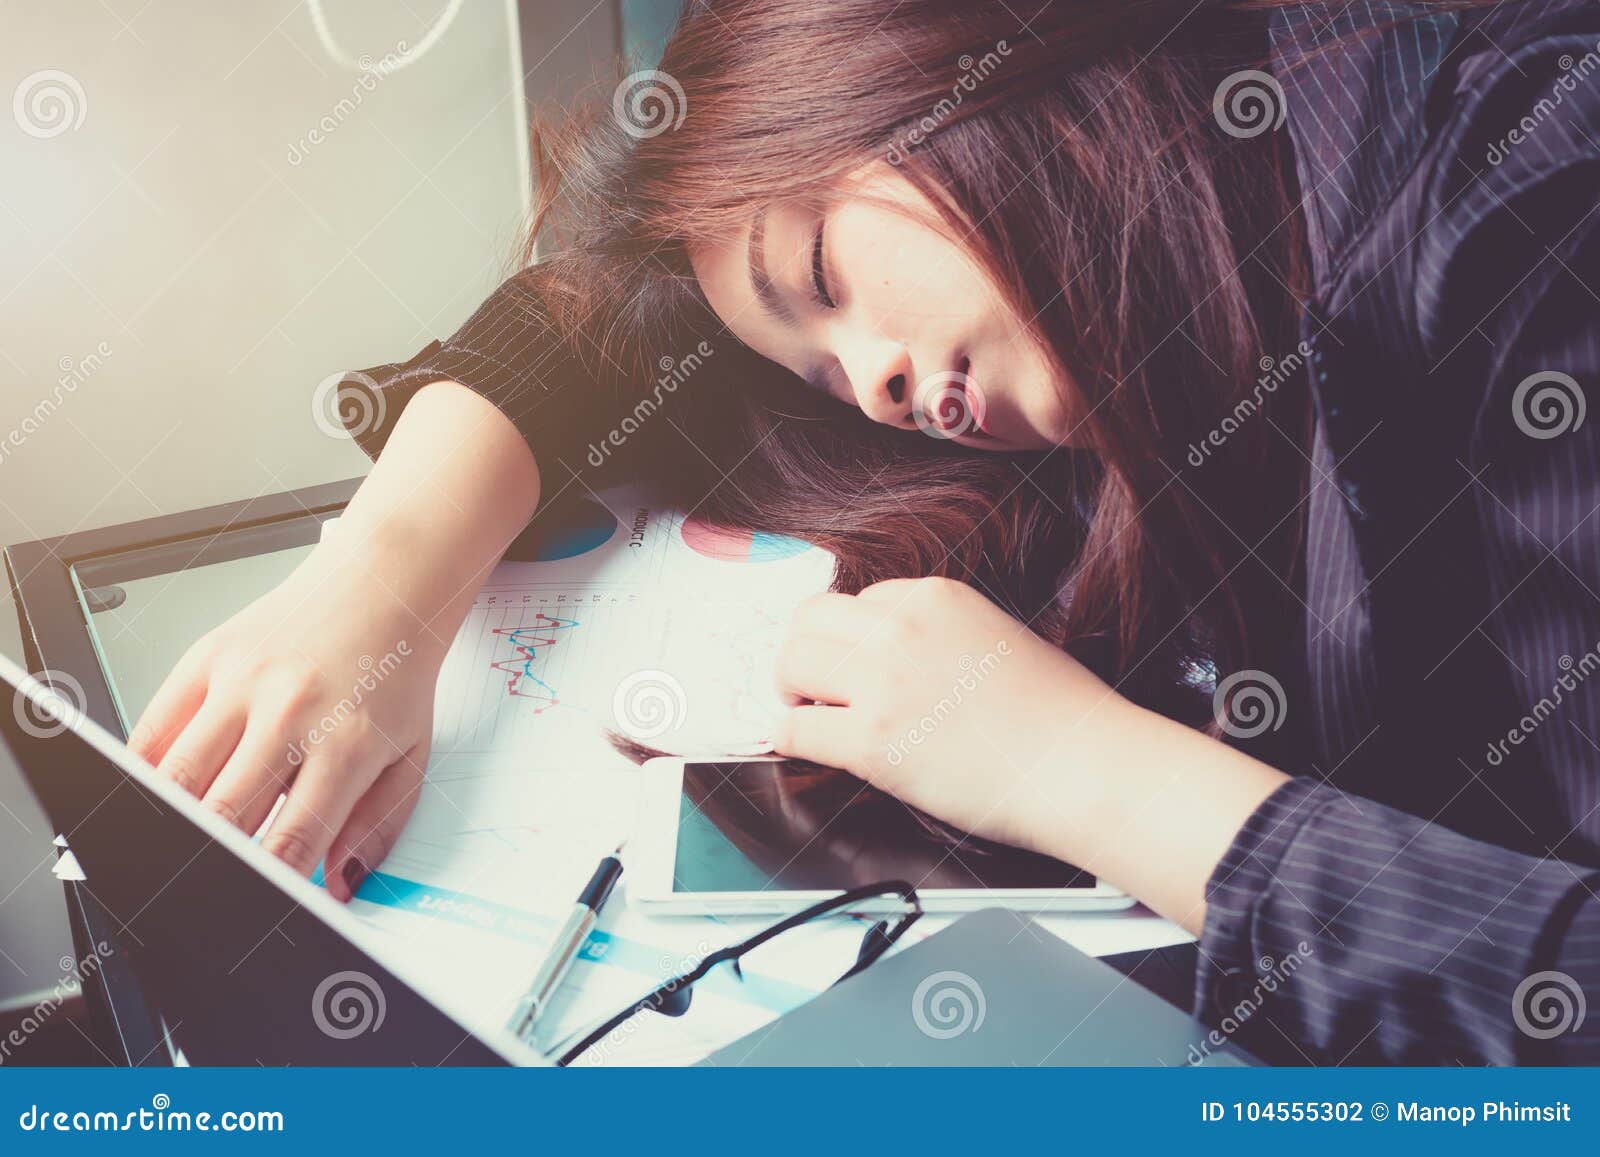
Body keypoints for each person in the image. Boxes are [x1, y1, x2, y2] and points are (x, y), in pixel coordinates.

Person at [130, 0, 1600, 1064]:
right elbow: (618, 289)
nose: (881, 387)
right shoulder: (1137, 304)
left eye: (827, 274)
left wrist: (1076, 767)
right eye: (822, 372)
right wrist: (376, 585)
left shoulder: (1531, 217)